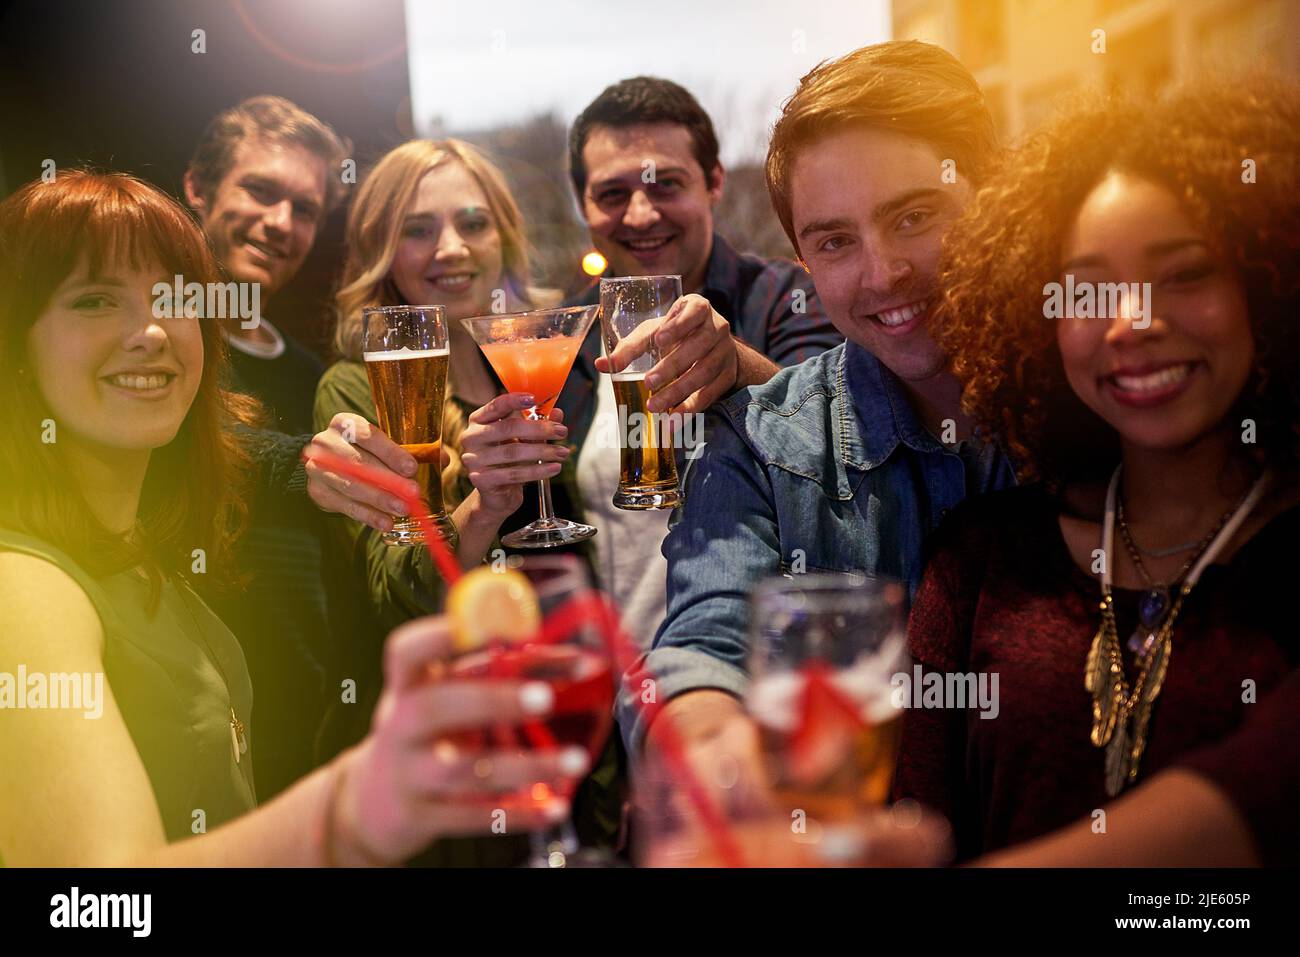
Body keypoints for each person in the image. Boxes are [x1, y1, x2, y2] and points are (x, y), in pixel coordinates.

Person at [0, 171, 584, 866]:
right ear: (19, 348)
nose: (150, 330)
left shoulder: (145, 555)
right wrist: (352, 807)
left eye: (173, 298)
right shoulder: (25, 592)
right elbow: (93, 905)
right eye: (93, 300)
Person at [895, 77, 1299, 866]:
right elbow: (918, 829)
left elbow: (1263, 794)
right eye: (1088, 289)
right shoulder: (980, 563)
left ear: (1266, 281)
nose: (1132, 324)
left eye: (1185, 274)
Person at [622, 42, 1015, 770]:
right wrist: (719, 755)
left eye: (914, 217)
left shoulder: (1092, 402)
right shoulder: (752, 444)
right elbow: (702, 648)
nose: (884, 273)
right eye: (836, 241)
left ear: (994, 198)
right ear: (804, 260)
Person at [561, 76, 842, 648]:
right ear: (583, 204)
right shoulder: (563, 335)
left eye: (666, 184)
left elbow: (840, 444)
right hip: (611, 704)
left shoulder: (788, 296)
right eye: (613, 194)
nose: (640, 214)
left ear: (714, 182)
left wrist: (739, 368)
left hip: (764, 675)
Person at [182, 95, 356, 799]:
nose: (281, 223)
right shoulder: (149, 343)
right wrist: (300, 463)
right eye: (260, 190)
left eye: (306, 208)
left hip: (306, 736)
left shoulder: (313, 375)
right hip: (181, 727)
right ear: (198, 186)